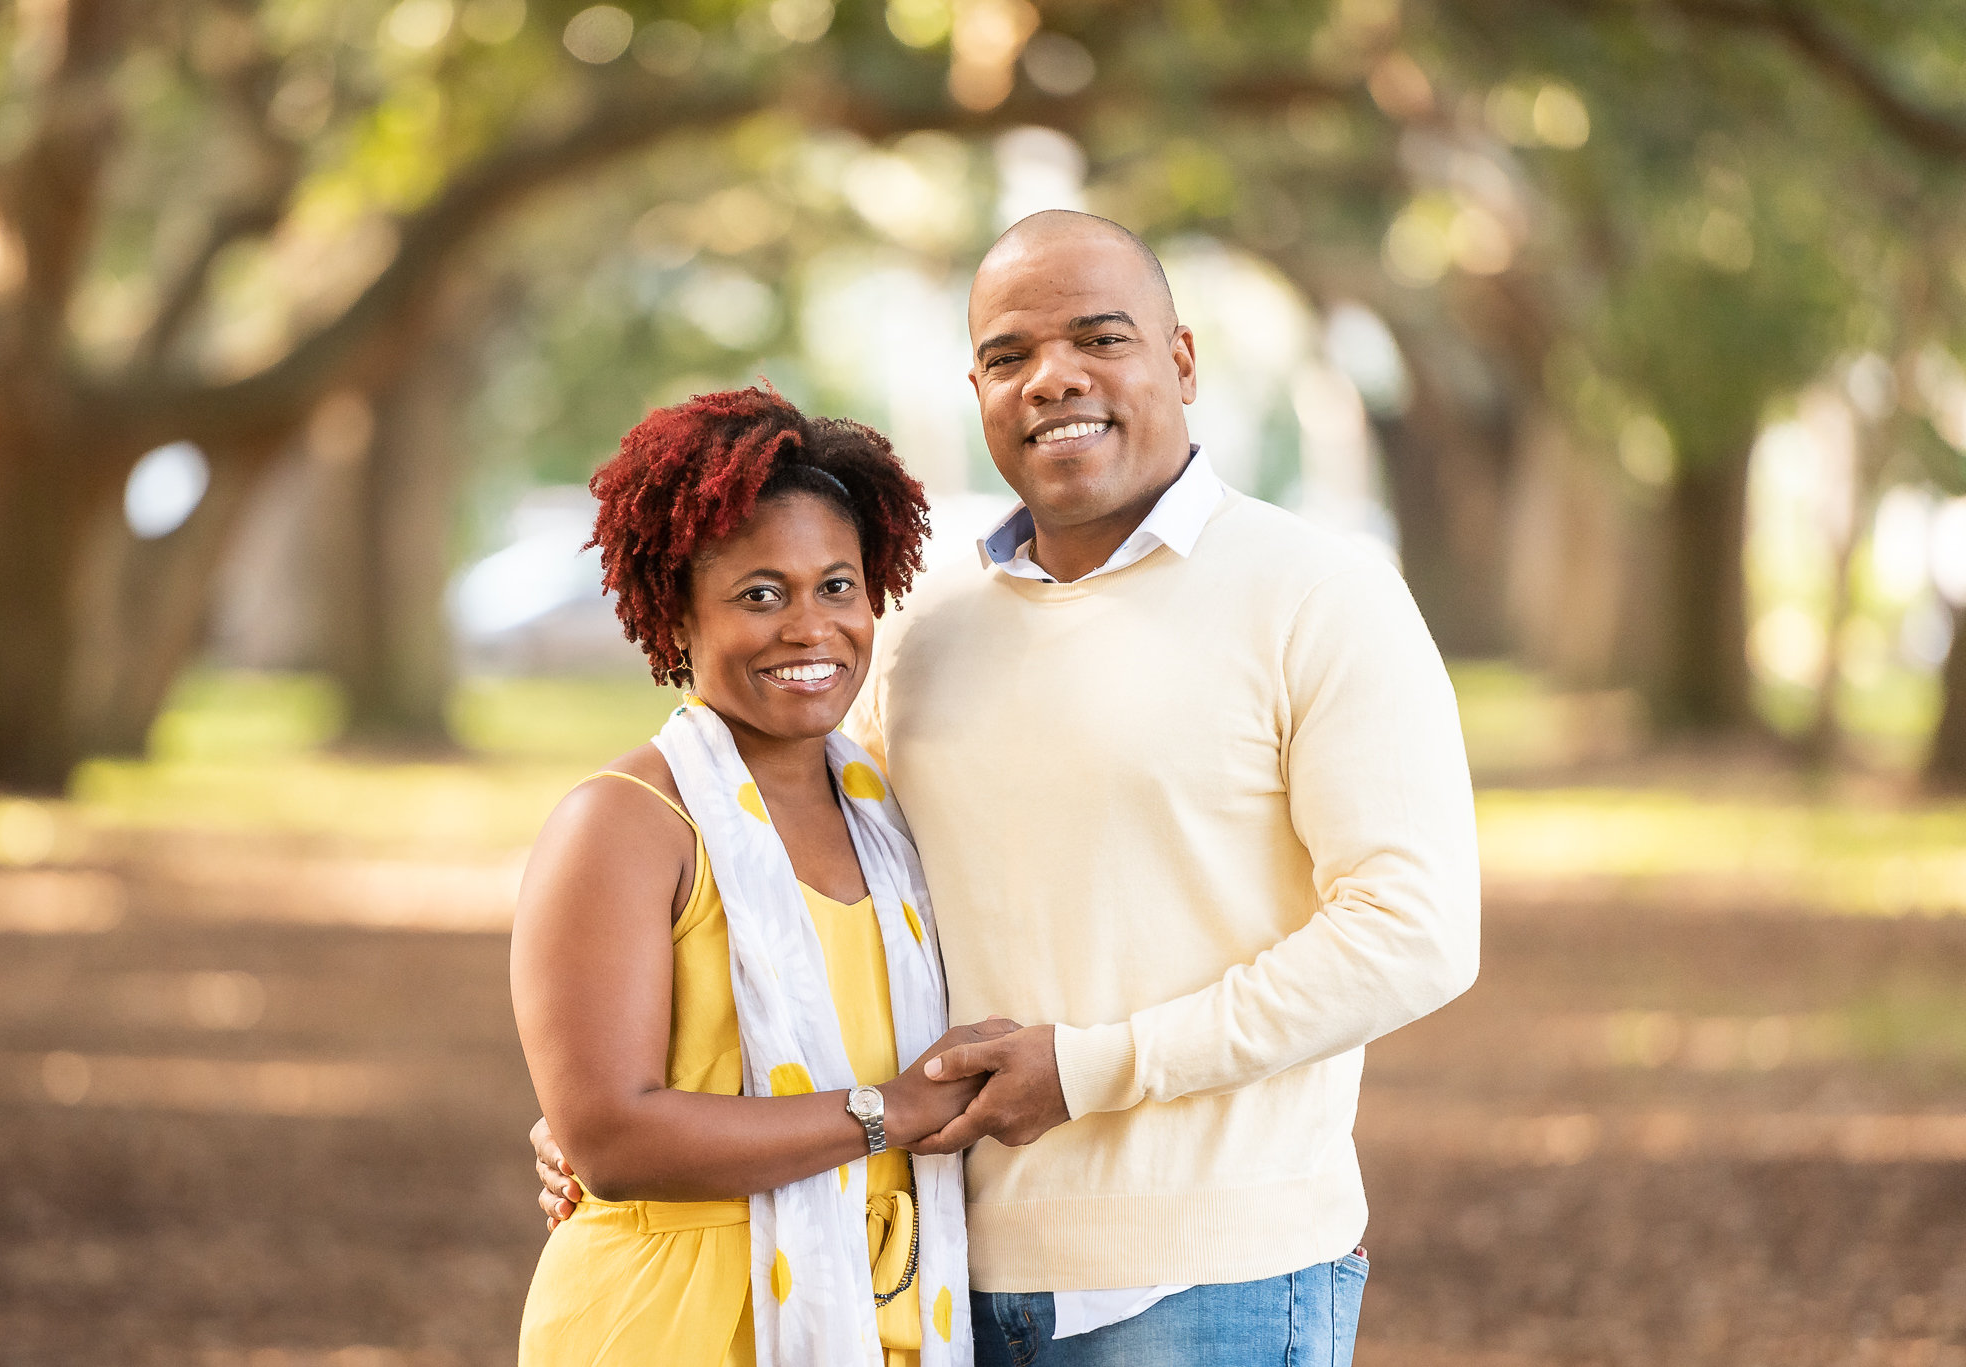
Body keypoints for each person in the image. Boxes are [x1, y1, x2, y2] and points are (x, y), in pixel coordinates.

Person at [537, 210, 1481, 1366]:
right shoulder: (920, 631)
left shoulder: (1318, 594)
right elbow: (823, 911)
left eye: (1099, 337)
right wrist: (623, 1107)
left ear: (1179, 359)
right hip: (932, 1277)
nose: (1053, 379)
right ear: (977, 386)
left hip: (1205, 1279)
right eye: (1008, 355)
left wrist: (1090, 1068)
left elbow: (1413, 934)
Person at [511, 386, 1008, 1367]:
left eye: (836, 586)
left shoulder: (889, 814)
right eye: (759, 594)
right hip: (667, 1323)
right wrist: (886, 1111)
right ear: (676, 611)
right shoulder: (624, 823)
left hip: (879, 1319)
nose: (810, 627)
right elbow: (608, 1137)